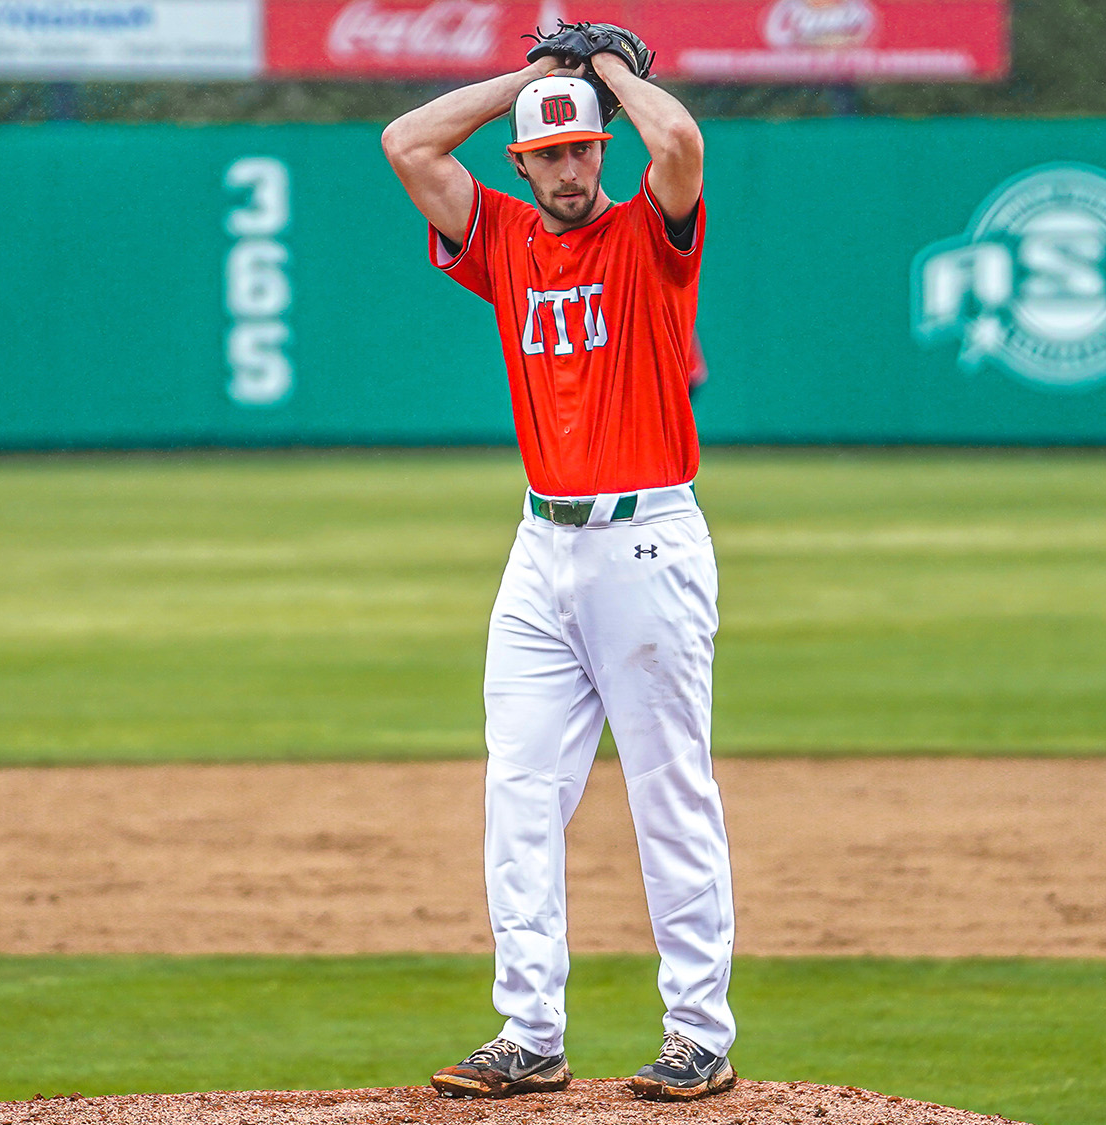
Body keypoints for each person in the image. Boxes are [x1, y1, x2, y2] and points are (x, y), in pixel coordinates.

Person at [380, 24, 738, 1104]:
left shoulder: (646, 236)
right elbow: (407, 142)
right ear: (523, 166)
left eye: (583, 147)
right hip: (539, 547)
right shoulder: (502, 240)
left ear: (600, 151)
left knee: (667, 791)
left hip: (647, 538)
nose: (573, 165)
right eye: (552, 151)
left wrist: (610, 77)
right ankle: (528, 1030)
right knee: (518, 790)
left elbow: (680, 143)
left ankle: (698, 1033)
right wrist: (536, 82)